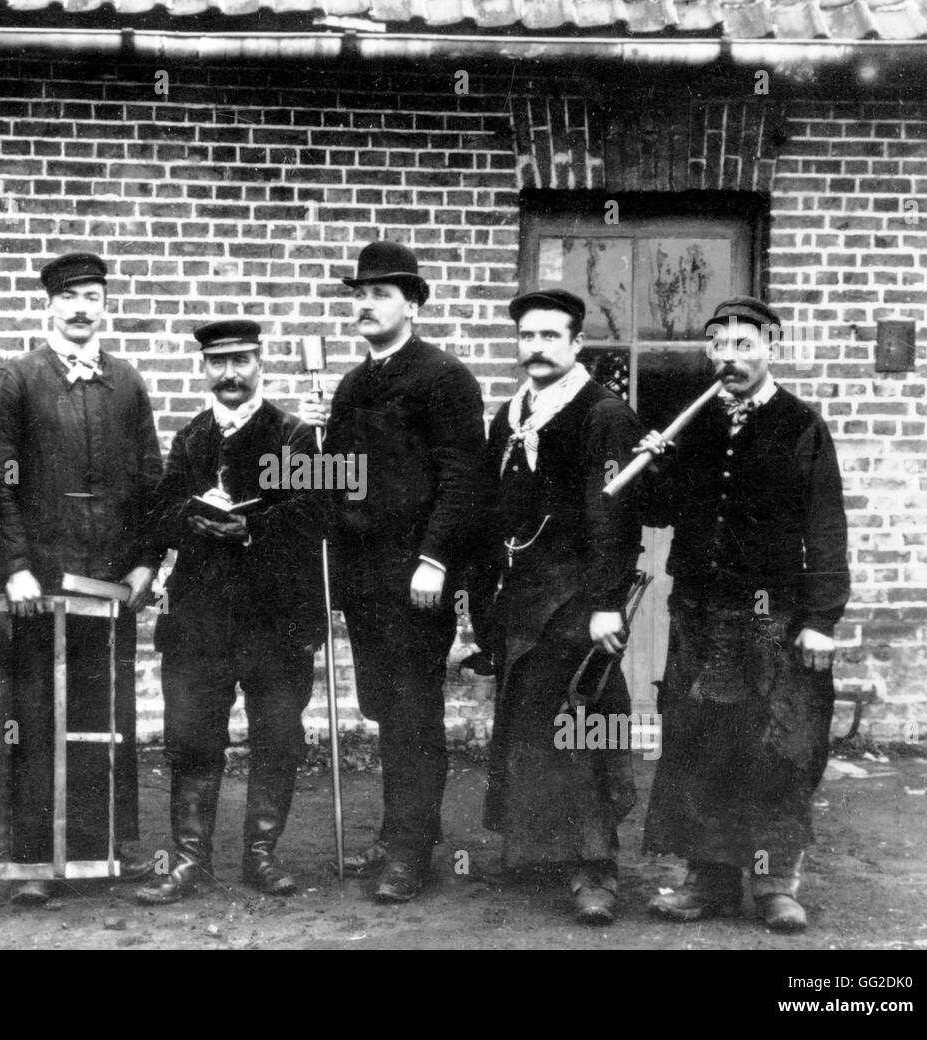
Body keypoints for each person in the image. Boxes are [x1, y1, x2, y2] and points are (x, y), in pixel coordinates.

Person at [638, 296, 850, 933]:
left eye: (744, 345)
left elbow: (826, 529)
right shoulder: (695, 424)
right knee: (701, 743)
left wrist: (822, 618)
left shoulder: (800, 425)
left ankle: (774, 882)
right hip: (701, 611)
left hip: (774, 617)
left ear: (771, 348)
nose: (730, 358)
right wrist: (655, 463)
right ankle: (708, 878)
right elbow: (660, 513)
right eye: (719, 346)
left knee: (776, 749)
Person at [298, 240, 486, 902]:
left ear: (412, 304)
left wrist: (436, 557)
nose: (365, 305)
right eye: (359, 295)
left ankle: (411, 850)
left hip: (416, 578)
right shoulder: (352, 385)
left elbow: (463, 478)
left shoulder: (443, 379)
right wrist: (314, 449)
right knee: (384, 707)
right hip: (363, 579)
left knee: (413, 711)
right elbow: (344, 480)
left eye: (380, 294)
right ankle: (396, 831)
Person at [0, 251, 163, 904]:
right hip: (41, 587)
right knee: (32, 716)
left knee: (103, 714)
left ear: (104, 304)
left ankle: (102, 846)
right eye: (71, 297)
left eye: (93, 295)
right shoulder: (19, 379)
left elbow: (150, 483)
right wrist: (17, 569)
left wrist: (147, 561)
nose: (83, 307)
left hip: (110, 584)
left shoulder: (128, 383)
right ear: (50, 305)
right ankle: (28, 858)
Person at [468, 289, 645, 924]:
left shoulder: (603, 415)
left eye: (550, 337)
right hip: (525, 595)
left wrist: (606, 604)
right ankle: (543, 850)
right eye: (527, 337)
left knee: (584, 722)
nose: (536, 348)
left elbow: (615, 517)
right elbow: (494, 513)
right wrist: (483, 601)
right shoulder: (511, 414)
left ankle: (596, 868)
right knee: (532, 723)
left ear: (576, 345)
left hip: (578, 596)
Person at [134, 320, 324, 904]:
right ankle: (191, 859)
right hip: (199, 619)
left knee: (276, 738)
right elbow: (160, 513)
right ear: (205, 369)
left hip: (276, 617)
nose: (230, 374)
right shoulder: (191, 438)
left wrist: (250, 526)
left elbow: (315, 516)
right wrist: (192, 516)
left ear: (259, 362)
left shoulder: (293, 435)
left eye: (241, 360)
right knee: (192, 737)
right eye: (218, 363)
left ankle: (262, 856)